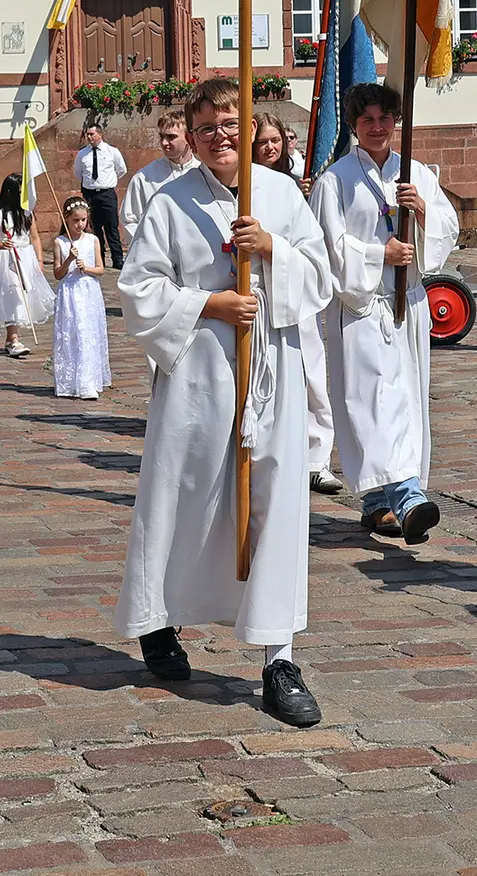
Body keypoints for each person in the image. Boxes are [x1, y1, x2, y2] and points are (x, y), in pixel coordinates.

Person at [115, 76, 335, 726]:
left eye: (230, 124)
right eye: (207, 127)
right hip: (199, 374)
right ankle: (158, 617)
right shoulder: (169, 201)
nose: (220, 137)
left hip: (272, 371)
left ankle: (278, 656)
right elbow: (140, 289)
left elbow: (320, 278)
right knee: (184, 495)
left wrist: (272, 252)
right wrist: (210, 302)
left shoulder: (280, 197)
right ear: (192, 132)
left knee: (275, 502)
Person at [311, 82, 460, 544]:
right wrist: (379, 255)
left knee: (407, 400)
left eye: (385, 119)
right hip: (361, 307)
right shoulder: (334, 180)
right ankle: (407, 496)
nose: (378, 128)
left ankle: (381, 502)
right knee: (369, 402)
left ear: (397, 122)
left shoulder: (415, 172)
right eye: (367, 120)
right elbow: (326, 247)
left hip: (407, 302)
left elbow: (446, 231)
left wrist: (422, 214)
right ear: (355, 126)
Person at [257, 118, 342, 492]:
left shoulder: (294, 185)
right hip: (260, 298)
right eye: (263, 142)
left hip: (296, 295)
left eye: (276, 140)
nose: (270, 148)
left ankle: (317, 456)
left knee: (311, 378)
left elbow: (312, 246)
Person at [0, 174, 50, 357]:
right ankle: (14, 339)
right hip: (5, 259)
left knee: (23, 296)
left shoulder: (27, 212)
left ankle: (11, 339)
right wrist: (2, 244)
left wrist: (39, 261)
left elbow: (34, 238)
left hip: (24, 256)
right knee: (13, 294)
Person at [51, 196, 110, 401]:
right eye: (76, 220)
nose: (80, 224)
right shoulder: (60, 242)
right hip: (70, 292)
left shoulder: (92, 240)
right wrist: (69, 259)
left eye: (83, 220)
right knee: (73, 332)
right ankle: (71, 380)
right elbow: (58, 274)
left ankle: (89, 381)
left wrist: (88, 268)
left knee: (88, 332)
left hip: (89, 291)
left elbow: (101, 269)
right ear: (67, 219)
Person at [121, 111, 197, 246]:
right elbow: (130, 220)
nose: (164, 143)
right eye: (161, 136)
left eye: (171, 137)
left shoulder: (204, 173)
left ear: (189, 138)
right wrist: (149, 250)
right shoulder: (144, 178)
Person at [77, 123, 129, 269]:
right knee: (95, 227)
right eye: (87, 134)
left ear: (100, 134)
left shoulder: (112, 151)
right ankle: (99, 259)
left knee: (111, 227)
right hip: (90, 194)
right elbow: (78, 173)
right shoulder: (82, 154)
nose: (89, 137)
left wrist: (107, 181)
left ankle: (117, 259)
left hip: (106, 193)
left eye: (92, 134)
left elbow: (121, 170)